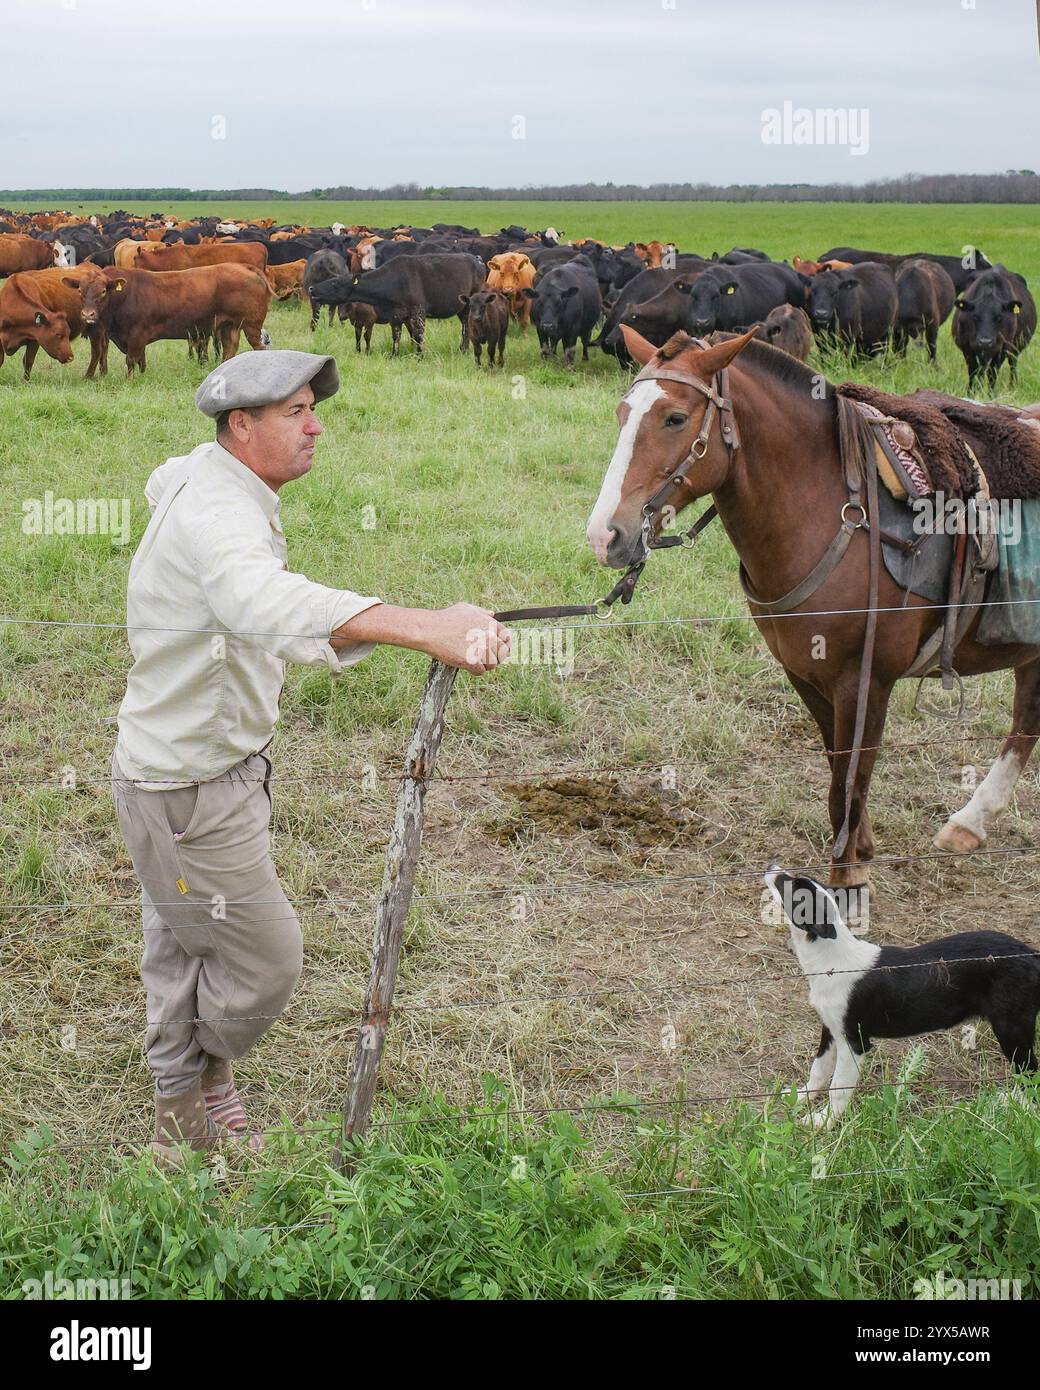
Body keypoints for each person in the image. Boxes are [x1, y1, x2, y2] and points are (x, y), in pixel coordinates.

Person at [111, 350, 510, 1165]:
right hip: (190, 785)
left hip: (196, 766)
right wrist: (425, 624)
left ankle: (185, 1105)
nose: (316, 425)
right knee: (265, 962)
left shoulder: (206, 478)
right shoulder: (218, 515)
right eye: (295, 411)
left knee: (184, 940)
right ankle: (191, 1088)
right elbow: (263, 603)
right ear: (241, 426)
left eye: (311, 408)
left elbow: (166, 478)